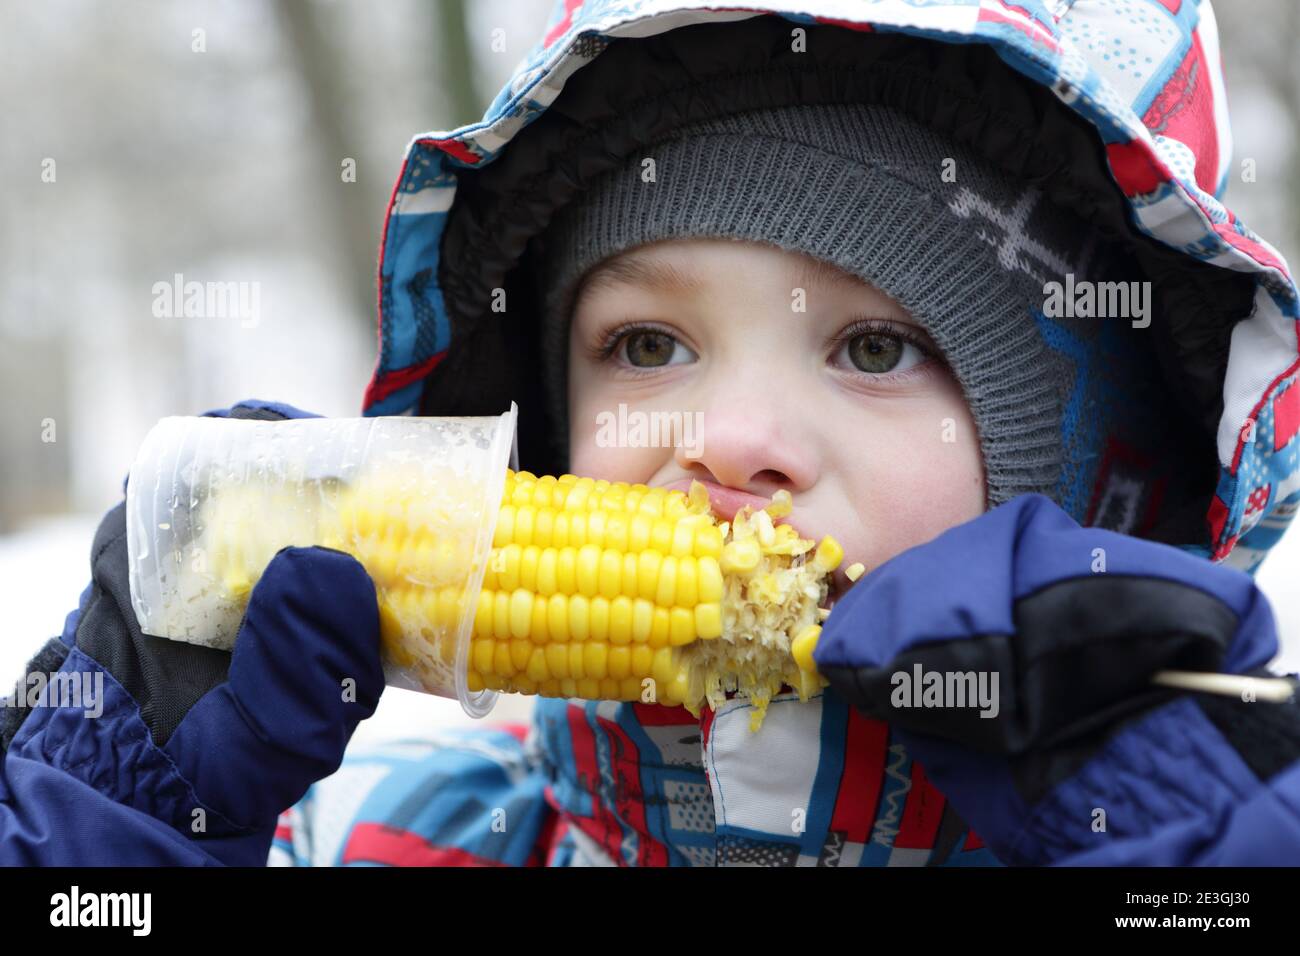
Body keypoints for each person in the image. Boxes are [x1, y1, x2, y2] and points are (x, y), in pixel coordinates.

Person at [4, 0, 1299, 867]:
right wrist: (102, 814)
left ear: (1104, 487)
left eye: (874, 348)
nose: (729, 443)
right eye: (647, 346)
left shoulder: (1214, 836)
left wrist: (1191, 830)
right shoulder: (377, 837)